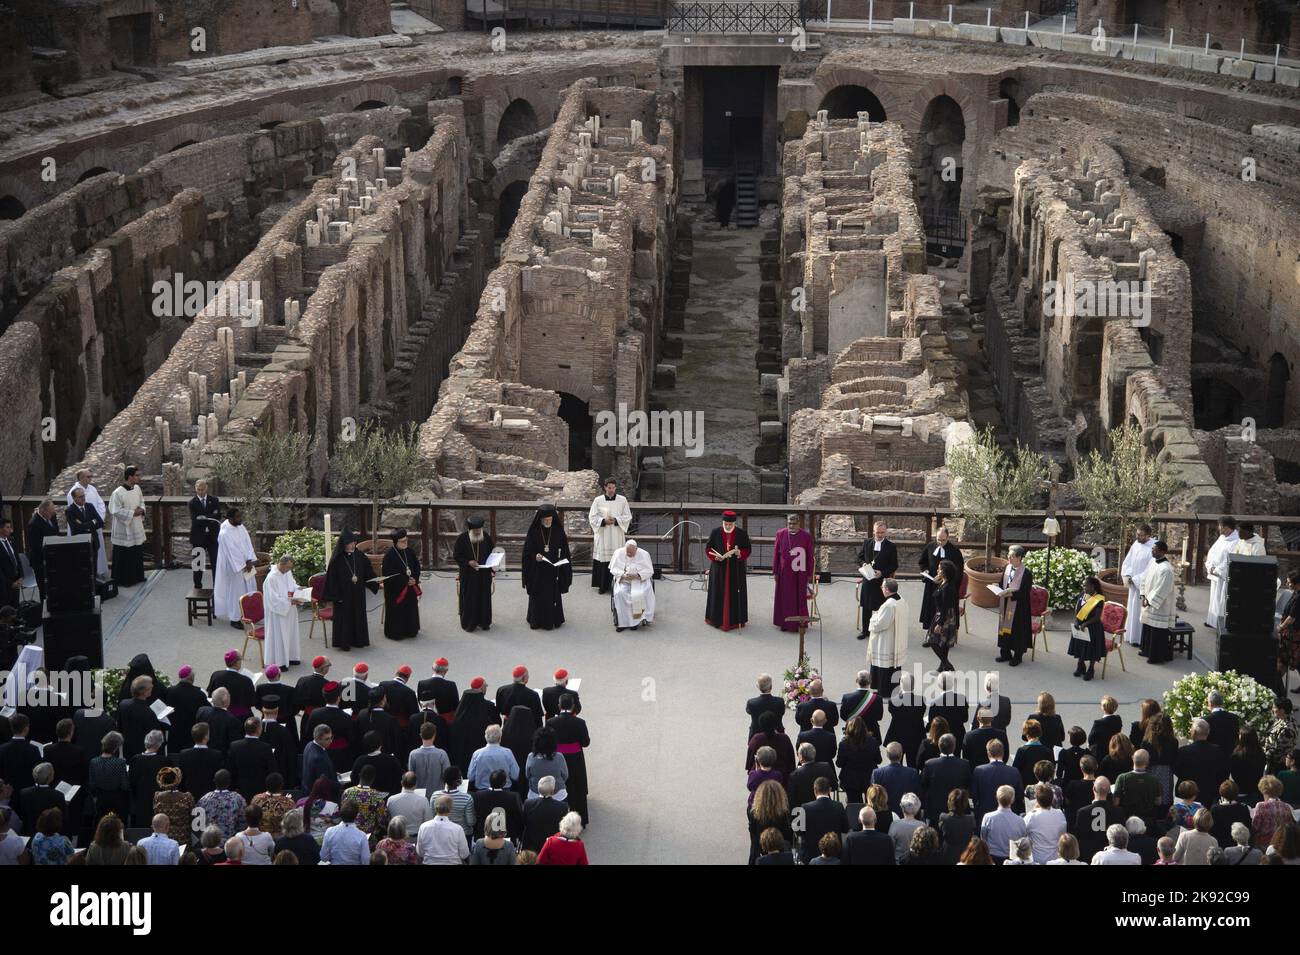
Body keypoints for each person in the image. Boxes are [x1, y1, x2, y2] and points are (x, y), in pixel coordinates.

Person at [323, 530, 379, 651]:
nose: (353, 545)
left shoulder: (360, 556)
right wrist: (336, 597)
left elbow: (368, 572)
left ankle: (359, 640)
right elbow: (332, 580)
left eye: (354, 542)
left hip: (358, 593)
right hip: (343, 595)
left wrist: (376, 582)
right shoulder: (337, 560)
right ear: (344, 544)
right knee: (345, 618)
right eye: (350, 543)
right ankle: (344, 642)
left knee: (358, 615)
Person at [521, 505, 572, 631]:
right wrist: (535, 556)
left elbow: (565, 550)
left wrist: (561, 561)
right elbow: (527, 552)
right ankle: (536, 620)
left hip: (553, 570)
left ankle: (553, 620)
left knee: (552, 595)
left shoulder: (558, 531)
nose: (548, 522)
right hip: (537, 570)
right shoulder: (534, 532)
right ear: (541, 519)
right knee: (537, 595)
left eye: (550, 519)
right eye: (546, 520)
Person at [548, 693, 590, 824]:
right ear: (573, 706)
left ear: (559, 706)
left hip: (557, 758)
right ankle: (579, 819)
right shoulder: (580, 722)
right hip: (575, 758)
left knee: (560, 786)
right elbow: (585, 743)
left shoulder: (550, 722)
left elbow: (548, 741)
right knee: (577, 786)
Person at [705, 510, 750, 632]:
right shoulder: (715, 532)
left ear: (734, 523)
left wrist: (740, 553)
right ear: (723, 522)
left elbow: (747, 549)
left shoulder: (741, 533)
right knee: (718, 592)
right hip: (719, 568)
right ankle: (716, 619)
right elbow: (708, 548)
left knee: (735, 593)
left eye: (730, 524)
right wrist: (715, 557)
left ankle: (735, 621)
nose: (728, 526)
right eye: (726, 524)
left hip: (736, 569)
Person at [448, 677, 501, 775]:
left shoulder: (461, 708)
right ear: (481, 689)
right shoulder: (489, 706)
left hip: (462, 753)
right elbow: (497, 724)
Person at [214, 509, 257, 629]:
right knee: (236, 592)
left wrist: (249, 559)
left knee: (249, 588)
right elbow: (231, 552)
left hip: (245, 564)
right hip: (234, 568)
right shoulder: (224, 533)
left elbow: (248, 543)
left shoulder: (241, 527)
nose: (240, 519)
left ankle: (249, 614)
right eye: (238, 517)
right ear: (230, 518)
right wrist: (244, 564)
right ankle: (235, 618)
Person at [588, 477, 631, 595]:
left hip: (616, 533)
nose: (611, 490)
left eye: (613, 487)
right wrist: (603, 521)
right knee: (603, 558)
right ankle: (602, 586)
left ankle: (617, 585)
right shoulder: (598, 500)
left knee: (617, 558)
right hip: (603, 534)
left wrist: (616, 520)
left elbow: (627, 516)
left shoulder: (622, 500)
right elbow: (592, 517)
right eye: (609, 488)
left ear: (615, 487)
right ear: (605, 488)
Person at [262, 555, 305, 669]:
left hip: (290, 611)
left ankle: (292, 657)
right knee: (280, 636)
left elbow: (292, 584)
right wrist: (289, 602)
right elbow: (273, 599)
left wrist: (298, 589)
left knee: (291, 633)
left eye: (291, 567)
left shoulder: (287, 573)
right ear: (281, 564)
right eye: (287, 567)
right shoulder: (271, 578)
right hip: (278, 613)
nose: (289, 570)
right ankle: (280, 662)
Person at [452, 516, 495, 632]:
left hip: (484, 574)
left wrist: (493, 565)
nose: (477, 532)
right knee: (470, 599)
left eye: (479, 530)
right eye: (475, 531)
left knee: (484, 598)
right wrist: (468, 562)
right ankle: (470, 623)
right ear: (470, 530)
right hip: (469, 575)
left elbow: (492, 552)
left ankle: (484, 622)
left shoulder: (485, 537)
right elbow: (456, 556)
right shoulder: (462, 539)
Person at [772, 513, 813, 631]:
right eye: (789, 523)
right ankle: (784, 623)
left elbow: (810, 556)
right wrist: (775, 571)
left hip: (800, 572)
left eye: (794, 524)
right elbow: (776, 554)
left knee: (799, 598)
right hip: (784, 572)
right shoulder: (781, 534)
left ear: (799, 524)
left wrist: (809, 573)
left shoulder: (806, 536)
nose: (791, 526)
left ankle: (799, 623)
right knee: (785, 598)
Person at [917, 525, 963, 628]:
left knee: (945, 610)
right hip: (932, 584)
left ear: (947, 538)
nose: (940, 542)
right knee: (931, 610)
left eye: (943, 540)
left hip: (947, 588)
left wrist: (945, 580)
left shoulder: (955, 551)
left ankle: (946, 635)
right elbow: (922, 562)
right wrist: (926, 570)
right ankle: (931, 632)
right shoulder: (930, 546)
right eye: (938, 540)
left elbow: (958, 572)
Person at [866, 578, 908, 691]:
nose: (882, 589)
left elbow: (880, 625)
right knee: (893, 664)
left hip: (886, 640)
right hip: (896, 637)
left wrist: (873, 617)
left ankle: (884, 690)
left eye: (882, 587)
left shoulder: (889, 605)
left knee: (884, 665)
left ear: (887, 590)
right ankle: (894, 687)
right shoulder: (901, 600)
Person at [67, 470, 109, 578]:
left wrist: (97, 519)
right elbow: (78, 524)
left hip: (94, 535)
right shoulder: (73, 492)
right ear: (81, 478)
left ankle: (96, 576)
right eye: (88, 477)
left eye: (91, 476)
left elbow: (100, 505)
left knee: (95, 559)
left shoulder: (92, 489)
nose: (90, 479)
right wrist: (92, 523)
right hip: (81, 538)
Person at [921, 733, 971, 824]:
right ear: (954, 746)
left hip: (935, 811)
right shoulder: (964, 764)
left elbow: (924, 786)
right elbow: (968, 785)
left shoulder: (930, 764)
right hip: (958, 810)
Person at [109, 466, 147, 586]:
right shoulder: (117, 493)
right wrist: (132, 513)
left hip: (136, 525)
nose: (139, 478)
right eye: (137, 475)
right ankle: (125, 579)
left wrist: (141, 509)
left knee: (136, 551)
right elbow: (114, 510)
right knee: (125, 554)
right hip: (124, 528)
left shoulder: (137, 488)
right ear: (130, 477)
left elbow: (142, 501)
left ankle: (138, 576)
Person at [995, 545, 1033, 666]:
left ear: (1019, 557)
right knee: (1004, 629)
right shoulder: (1007, 567)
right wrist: (998, 589)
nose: (1009, 558)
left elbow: (1025, 592)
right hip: (1005, 604)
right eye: (1008, 555)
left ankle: (1017, 656)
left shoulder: (1026, 573)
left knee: (1017, 631)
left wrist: (1011, 594)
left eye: (1011, 556)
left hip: (1019, 607)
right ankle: (1005, 653)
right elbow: (1002, 583)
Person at [1119, 523, 1156, 646]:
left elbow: (1150, 569)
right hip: (1133, 584)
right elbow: (1128, 561)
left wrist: (1136, 579)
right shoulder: (1136, 544)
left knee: (1140, 612)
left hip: (1142, 585)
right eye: (1137, 534)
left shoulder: (1153, 548)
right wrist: (1128, 575)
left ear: (1148, 536)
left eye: (1140, 535)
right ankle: (1130, 635)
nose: (1138, 537)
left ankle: (1140, 639)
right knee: (1132, 610)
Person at [1139, 539, 1175, 663]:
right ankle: (1146, 650)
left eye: (1155, 549)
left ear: (1163, 551)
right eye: (1152, 549)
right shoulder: (1153, 563)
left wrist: (1149, 601)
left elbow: (1162, 589)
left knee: (1157, 631)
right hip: (1148, 601)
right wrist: (1143, 595)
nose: (1152, 551)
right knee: (1148, 628)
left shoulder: (1166, 569)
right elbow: (1144, 578)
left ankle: (1156, 657)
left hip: (1160, 605)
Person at [382, 529, 421, 640]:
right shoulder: (389, 556)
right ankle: (396, 633)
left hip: (410, 587)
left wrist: (414, 579)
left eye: (406, 540)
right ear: (395, 542)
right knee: (398, 610)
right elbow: (389, 576)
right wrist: (405, 581)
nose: (405, 543)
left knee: (410, 605)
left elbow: (417, 567)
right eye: (402, 541)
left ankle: (411, 630)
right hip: (395, 591)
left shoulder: (410, 552)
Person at [799, 777, 849, 864]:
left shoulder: (805, 808)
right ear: (829, 790)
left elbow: (799, 832)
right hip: (834, 854)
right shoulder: (838, 806)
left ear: (815, 790)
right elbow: (845, 828)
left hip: (811, 855)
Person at [609, 539, 654, 631]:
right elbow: (613, 569)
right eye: (627, 552)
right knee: (619, 593)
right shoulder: (618, 553)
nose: (629, 554)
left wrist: (637, 575)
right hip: (623, 581)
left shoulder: (644, 554)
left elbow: (649, 571)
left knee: (640, 594)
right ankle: (621, 623)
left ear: (636, 549)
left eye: (631, 552)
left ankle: (635, 622)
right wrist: (622, 575)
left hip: (640, 581)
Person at [924, 559, 961, 672]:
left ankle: (946, 664)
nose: (937, 570)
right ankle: (943, 666)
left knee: (932, 640)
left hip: (944, 616)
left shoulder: (948, 587)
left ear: (944, 572)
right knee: (943, 643)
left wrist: (939, 623)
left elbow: (945, 606)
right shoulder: (944, 583)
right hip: (943, 614)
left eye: (939, 569)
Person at [836, 716, 881, 805]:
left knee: (854, 805)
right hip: (869, 778)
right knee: (872, 804)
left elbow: (839, 763)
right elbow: (878, 760)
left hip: (850, 780)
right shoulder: (873, 741)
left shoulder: (844, 744)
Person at [1205, 516, 1239, 630]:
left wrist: (1217, 570)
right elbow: (1211, 552)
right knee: (1214, 598)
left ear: (1227, 528)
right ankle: (1212, 621)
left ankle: (1220, 624)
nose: (1219, 529)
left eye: (1220, 526)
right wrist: (1209, 565)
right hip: (1215, 572)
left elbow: (1230, 559)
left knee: (1221, 600)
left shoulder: (1236, 541)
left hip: (1223, 575)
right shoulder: (1221, 538)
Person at [416, 793, 470, 865]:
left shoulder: (423, 827)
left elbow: (420, 852)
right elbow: (464, 854)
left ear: (435, 807)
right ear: (450, 809)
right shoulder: (458, 829)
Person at [1069, 576, 1106, 680]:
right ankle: (1080, 665)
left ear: (1093, 587)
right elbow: (1077, 609)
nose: (1083, 587)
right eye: (1083, 585)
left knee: (1091, 649)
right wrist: (1076, 620)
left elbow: (1097, 617)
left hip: (1093, 627)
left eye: (1086, 585)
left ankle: (1091, 669)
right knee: (1080, 646)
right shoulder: (1082, 594)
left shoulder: (1099, 599)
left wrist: (1086, 624)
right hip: (1080, 624)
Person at [187, 480, 222, 589]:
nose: (200, 492)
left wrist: (204, 516)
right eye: (198, 490)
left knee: (215, 563)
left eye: (202, 489)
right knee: (198, 564)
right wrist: (210, 516)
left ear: (206, 488)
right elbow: (196, 520)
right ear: (195, 489)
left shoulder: (214, 500)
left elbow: (218, 516)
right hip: (198, 537)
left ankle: (217, 587)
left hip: (213, 537)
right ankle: (197, 586)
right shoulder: (192, 502)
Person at [979, 785, 1027, 863]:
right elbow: (1023, 840)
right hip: (1012, 859)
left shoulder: (988, 817)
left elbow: (983, 838)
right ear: (1012, 800)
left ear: (997, 798)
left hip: (992, 858)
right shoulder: (1020, 820)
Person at [524, 776, 570, 854]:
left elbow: (525, 822)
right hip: (554, 844)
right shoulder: (562, 807)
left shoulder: (528, 804)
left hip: (533, 845)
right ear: (552, 791)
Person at [25, 500, 59, 603]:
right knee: (44, 588)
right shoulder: (34, 524)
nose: (52, 514)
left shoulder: (51, 516)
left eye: (53, 512)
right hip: (40, 561)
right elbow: (36, 547)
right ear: (43, 511)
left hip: (53, 558)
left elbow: (55, 531)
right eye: (50, 512)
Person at [320, 799, 370, 865]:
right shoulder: (362, 836)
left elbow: (323, 857)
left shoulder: (330, 832)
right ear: (357, 815)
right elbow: (366, 862)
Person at [938, 790, 976, 864]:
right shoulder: (970, 819)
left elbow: (941, 833)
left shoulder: (944, 817)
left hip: (947, 855)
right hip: (965, 855)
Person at [1264, 697, 1300, 775]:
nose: (1272, 709)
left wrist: (1260, 754)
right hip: (1273, 760)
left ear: (1282, 710)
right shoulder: (1283, 719)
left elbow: (1277, 750)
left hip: (1277, 765)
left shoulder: (1287, 729)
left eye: (1274, 707)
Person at [1279, 571, 1300, 695]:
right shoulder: (1295, 593)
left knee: (1289, 659)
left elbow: (1291, 617)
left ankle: (1277, 683)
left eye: (1289, 582)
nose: (1287, 583)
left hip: (1294, 634)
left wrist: (1281, 627)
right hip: (1290, 632)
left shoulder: (1298, 598)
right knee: (1292, 660)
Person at [746, 673, 785, 738]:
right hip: (777, 735)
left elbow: (748, 711)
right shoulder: (779, 702)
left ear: (758, 687)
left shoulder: (752, 703)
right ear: (771, 686)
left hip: (756, 735)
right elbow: (782, 712)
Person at [0, 520, 19, 610]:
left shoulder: (11, 540)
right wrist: (10, 583)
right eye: (7, 527)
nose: (10, 530)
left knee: (15, 608)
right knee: (6, 610)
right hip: (5, 585)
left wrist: (20, 576)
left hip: (16, 581)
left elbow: (17, 559)